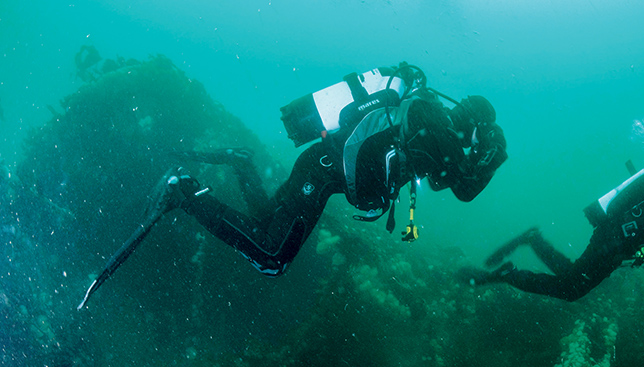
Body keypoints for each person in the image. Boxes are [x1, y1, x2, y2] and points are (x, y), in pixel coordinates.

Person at [154, 67, 507, 278]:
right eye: (478, 138)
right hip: (321, 174)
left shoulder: (428, 121)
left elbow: (441, 179)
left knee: (264, 219)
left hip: (320, 164)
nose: (474, 147)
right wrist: (495, 154)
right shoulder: (440, 130)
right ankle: (182, 190)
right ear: (474, 126)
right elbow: (464, 188)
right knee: (272, 257)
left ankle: (242, 162)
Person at [462, 149, 644, 302]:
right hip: (615, 241)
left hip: (617, 240)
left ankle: (534, 239)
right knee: (571, 289)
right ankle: (505, 275)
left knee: (571, 277)